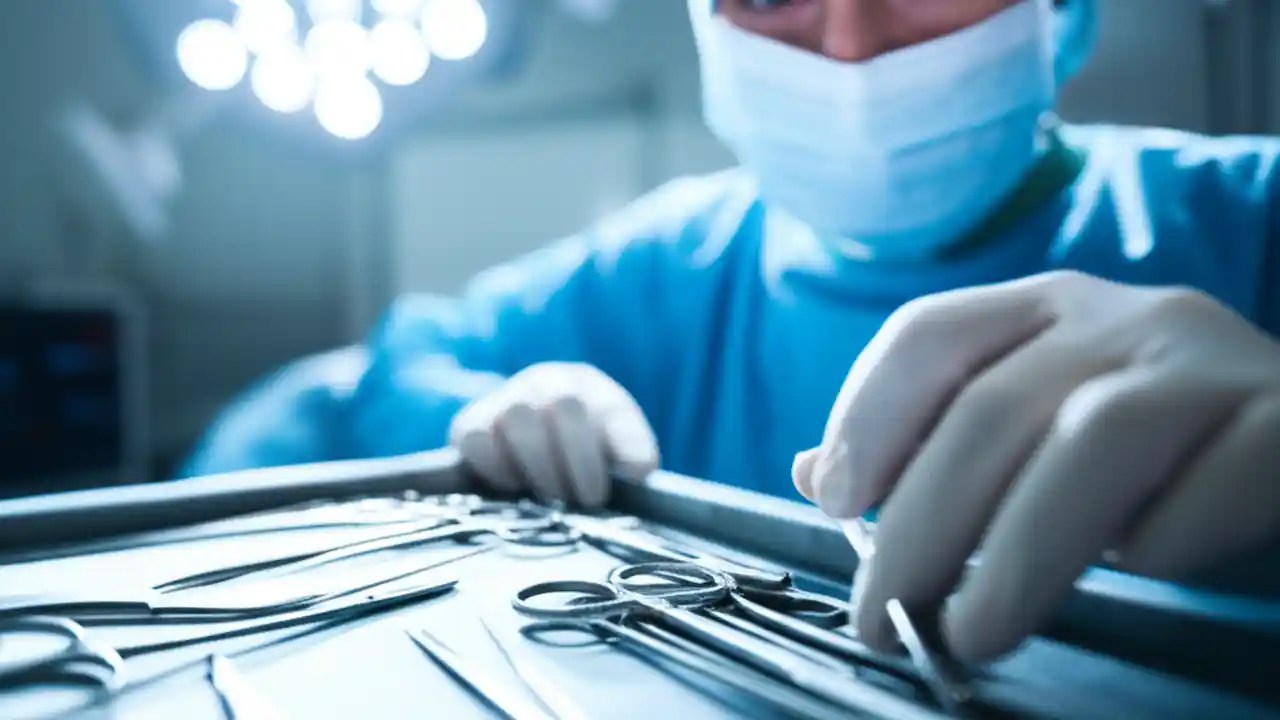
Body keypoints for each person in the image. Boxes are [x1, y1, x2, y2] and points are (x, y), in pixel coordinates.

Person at [184, 0, 1280, 663]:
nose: (850, 50)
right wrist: (488, 415)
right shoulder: (664, 268)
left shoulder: (1254, 220)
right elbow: (376, 375)